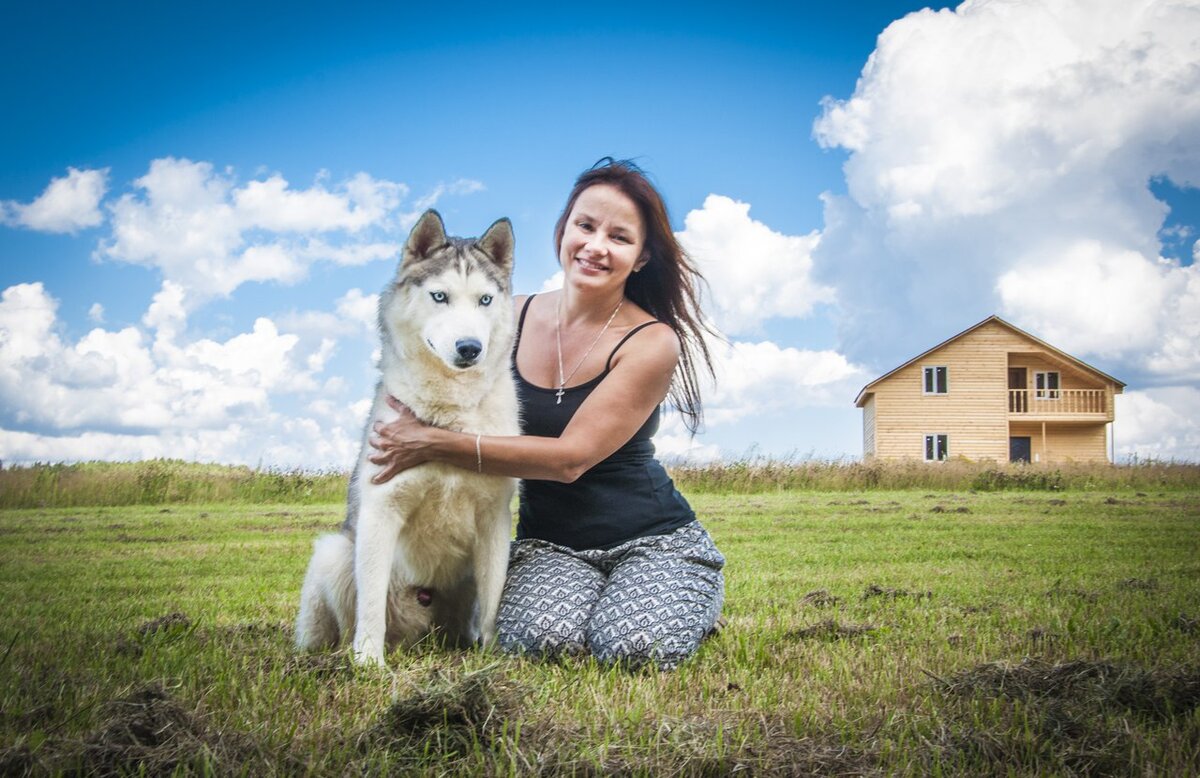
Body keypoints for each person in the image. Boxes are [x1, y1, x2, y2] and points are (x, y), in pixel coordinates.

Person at [367, 158, 725, 669]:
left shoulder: (652, 342)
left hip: (651, 539)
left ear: (642, 257)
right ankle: (612, 605)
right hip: (551, 545)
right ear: (562, 231)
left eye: (619, 237)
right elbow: (434, 368)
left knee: (632, 649)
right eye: (585, 226)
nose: (596, 246)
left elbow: (570, 459)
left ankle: (693, 588)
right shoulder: (504, 314)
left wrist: (428, 442)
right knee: (540, 645)